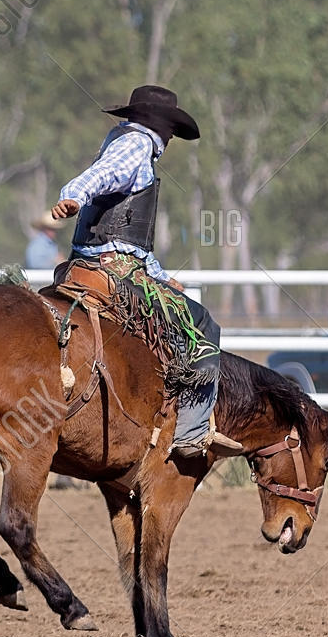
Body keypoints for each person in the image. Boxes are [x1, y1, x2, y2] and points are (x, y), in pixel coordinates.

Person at [52, 84, 241, 462]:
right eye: (171, 128)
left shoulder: (120, 140)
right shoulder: (137, 145)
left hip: (92, 261)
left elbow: (129, 235)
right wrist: (74, 193)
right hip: (115, 270)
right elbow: (104, 176)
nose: (170, 137)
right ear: (160, 125)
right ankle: (191, 432)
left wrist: (158, 273)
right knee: (203, 325)